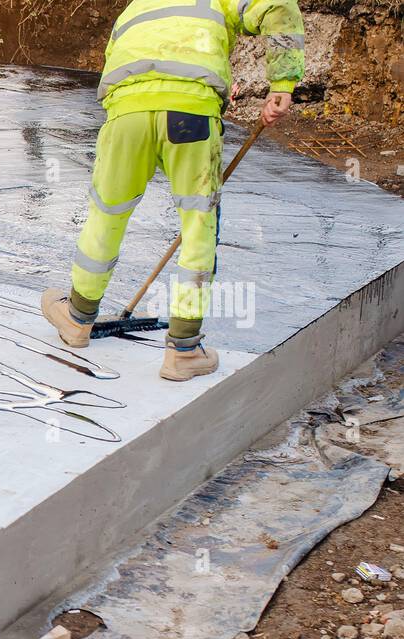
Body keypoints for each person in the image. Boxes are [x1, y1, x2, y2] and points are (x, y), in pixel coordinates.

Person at [41, 0, 305, 381]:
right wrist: (281, 85)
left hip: (125, 117)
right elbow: (278, 8)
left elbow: (116, 66)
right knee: (198, 228)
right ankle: (184, 350)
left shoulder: (133, 10)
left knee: (106, 216)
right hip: (190, 116)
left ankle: (78, 318)